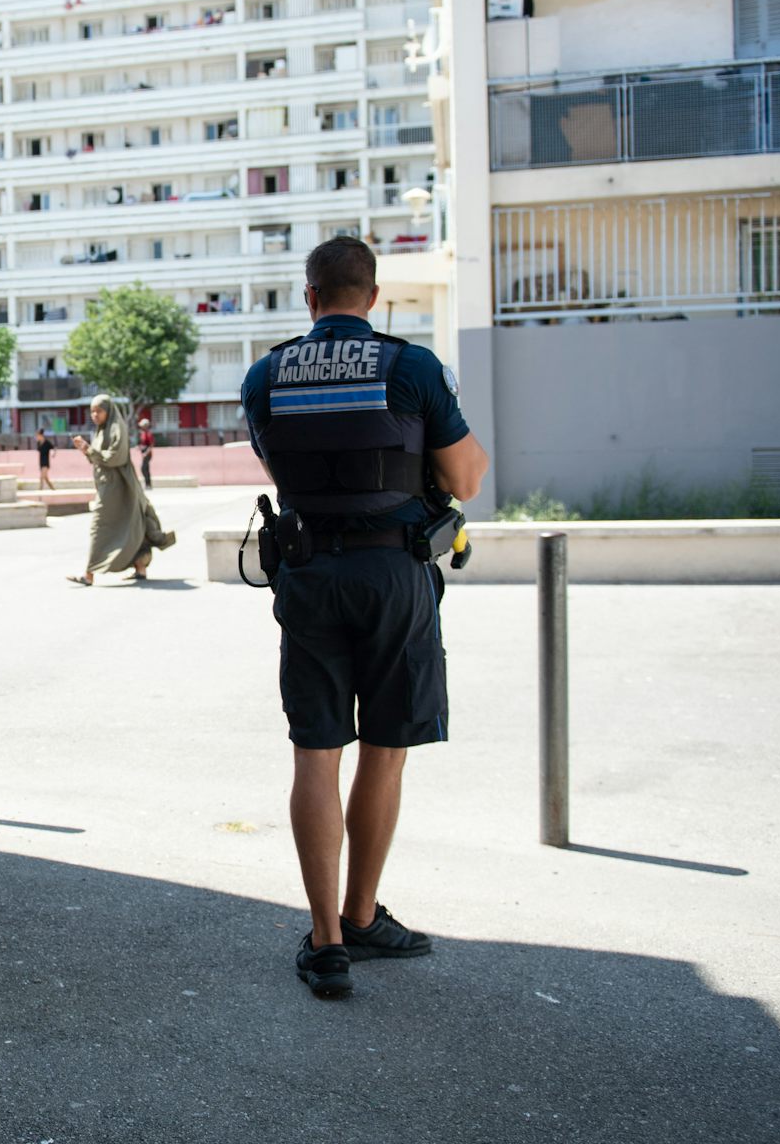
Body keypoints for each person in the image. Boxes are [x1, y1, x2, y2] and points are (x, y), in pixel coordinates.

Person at [241, 236, 490, 1001]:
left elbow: (282, 468)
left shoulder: (265, 374)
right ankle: (361, 917)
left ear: (310, 296)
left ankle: (324, 945)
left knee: (316, 753)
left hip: (310, 574)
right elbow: (467, 478)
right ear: (372, 297)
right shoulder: (410, 367)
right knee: (385, 748)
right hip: (394, 575)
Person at [67, 396, 174, 586]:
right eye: (92, 411)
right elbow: (99, 459)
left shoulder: (117, 428)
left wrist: (89, 450)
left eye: (98, 411)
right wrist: (87, 451)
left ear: (108, 410)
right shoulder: (101, 430)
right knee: (131, 524)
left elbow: (115, 457)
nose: (94, 415)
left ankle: (89, 574)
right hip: (108, 487)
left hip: (118, 489)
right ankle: (140, 567)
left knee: (100, 527)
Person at [137, 417, 156, 489]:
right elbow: (143, 443)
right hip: (143, 453)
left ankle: (148, 484)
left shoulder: (148, 434)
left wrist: (146, 453)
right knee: (145, 469)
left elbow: (151, 445)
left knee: (143, 468)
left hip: (147, 454)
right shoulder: (143, 433)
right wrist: (139, 447)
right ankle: (148, 484)